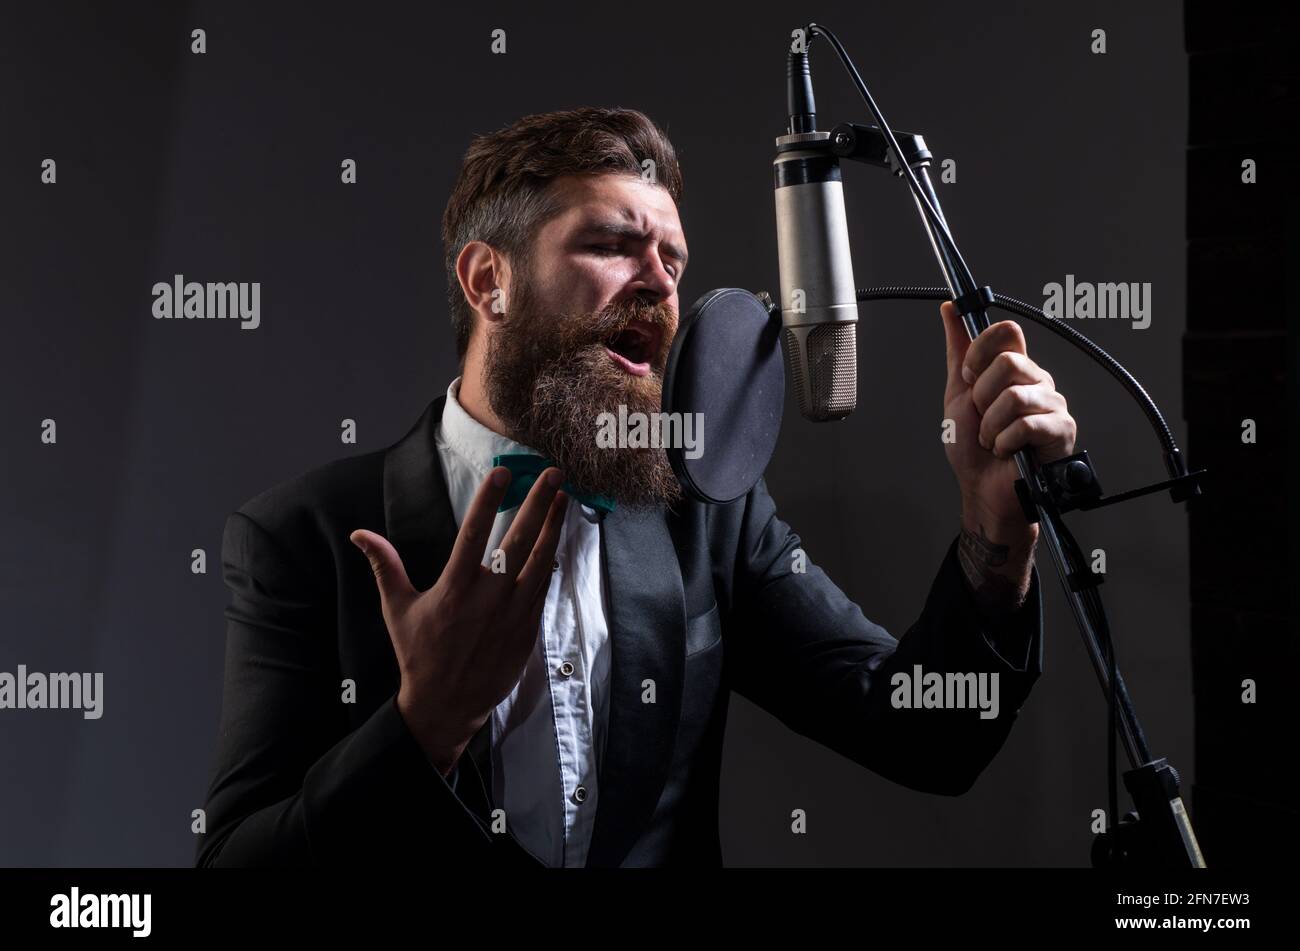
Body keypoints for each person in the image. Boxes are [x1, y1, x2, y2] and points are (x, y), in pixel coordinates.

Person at [196, 107, 1076, 868]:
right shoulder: (302, 536)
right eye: (613, 245)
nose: (659, 284)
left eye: (672, 259)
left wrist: (994, 537)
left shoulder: (713, 515)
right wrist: (425, 723)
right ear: (487, 280)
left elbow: (926, 733)